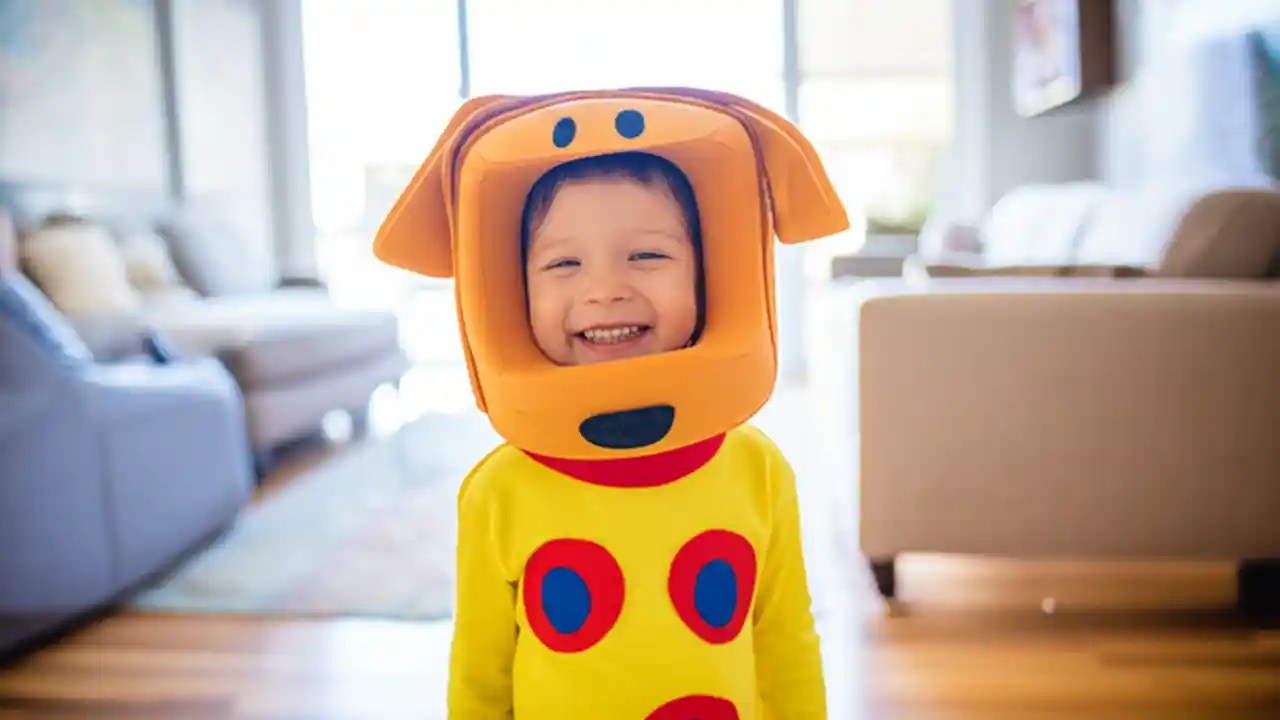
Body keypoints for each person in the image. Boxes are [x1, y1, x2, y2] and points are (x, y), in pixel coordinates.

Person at [373, 88, 849, 719]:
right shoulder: (500, 491)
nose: (603, 290)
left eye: (647, 255)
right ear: (517, 292)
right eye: (563, 262)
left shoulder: (758, 470)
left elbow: (786, 640)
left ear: (708, 277)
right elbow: (479, 673)